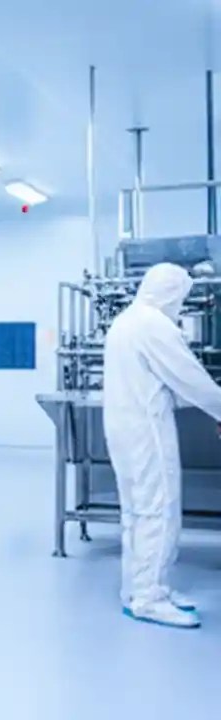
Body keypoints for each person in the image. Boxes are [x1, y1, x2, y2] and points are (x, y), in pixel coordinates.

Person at [103, 262, 221, 628]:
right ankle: (150, 598)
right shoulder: (154, 325)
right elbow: (189, 377)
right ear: (171, 293)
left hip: (123, 428)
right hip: (147, 431)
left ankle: (139, 589)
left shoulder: (125, 321)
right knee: (159, 509)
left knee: (136, 512)